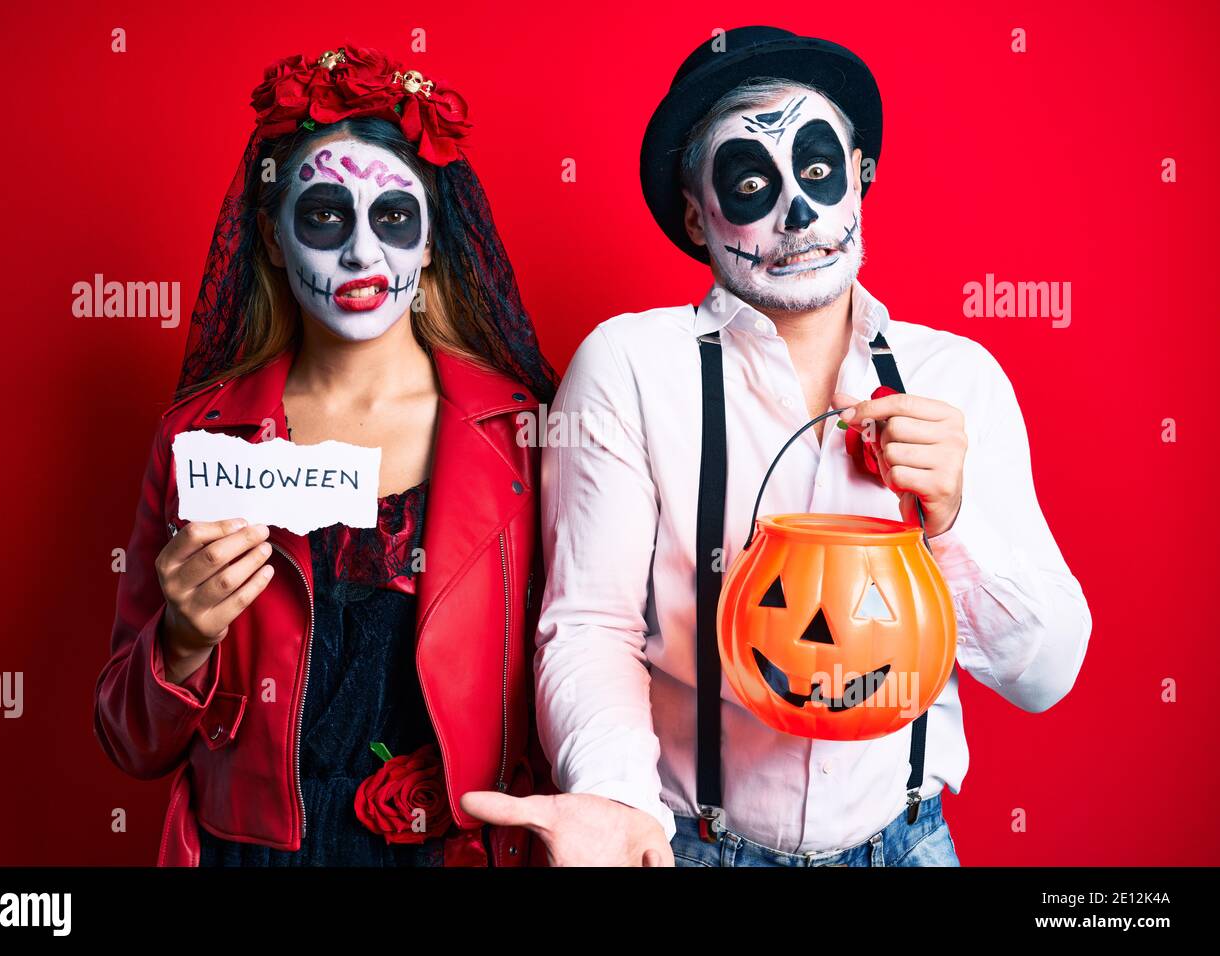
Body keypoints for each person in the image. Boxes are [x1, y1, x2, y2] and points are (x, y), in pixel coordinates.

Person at [462, 25, 1091, 866]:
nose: (798, 214)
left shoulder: (958, 378)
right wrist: (614, 799)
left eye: (820, 171)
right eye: (751, 181)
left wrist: (954, 516)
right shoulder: (630, 366)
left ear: (861, 179)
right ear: (697, 215)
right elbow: (589, 625)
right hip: (691, 845)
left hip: (906, 845)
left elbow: (1046, 675)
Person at [93, 42, 557, 867]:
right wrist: (183, 642)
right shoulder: (198, 439)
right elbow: (133, 743)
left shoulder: (525, 436)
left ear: (431, 246)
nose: (360, 254)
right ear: (272, 241)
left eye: (393, 219)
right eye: (324, 216)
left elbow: (587, 667)